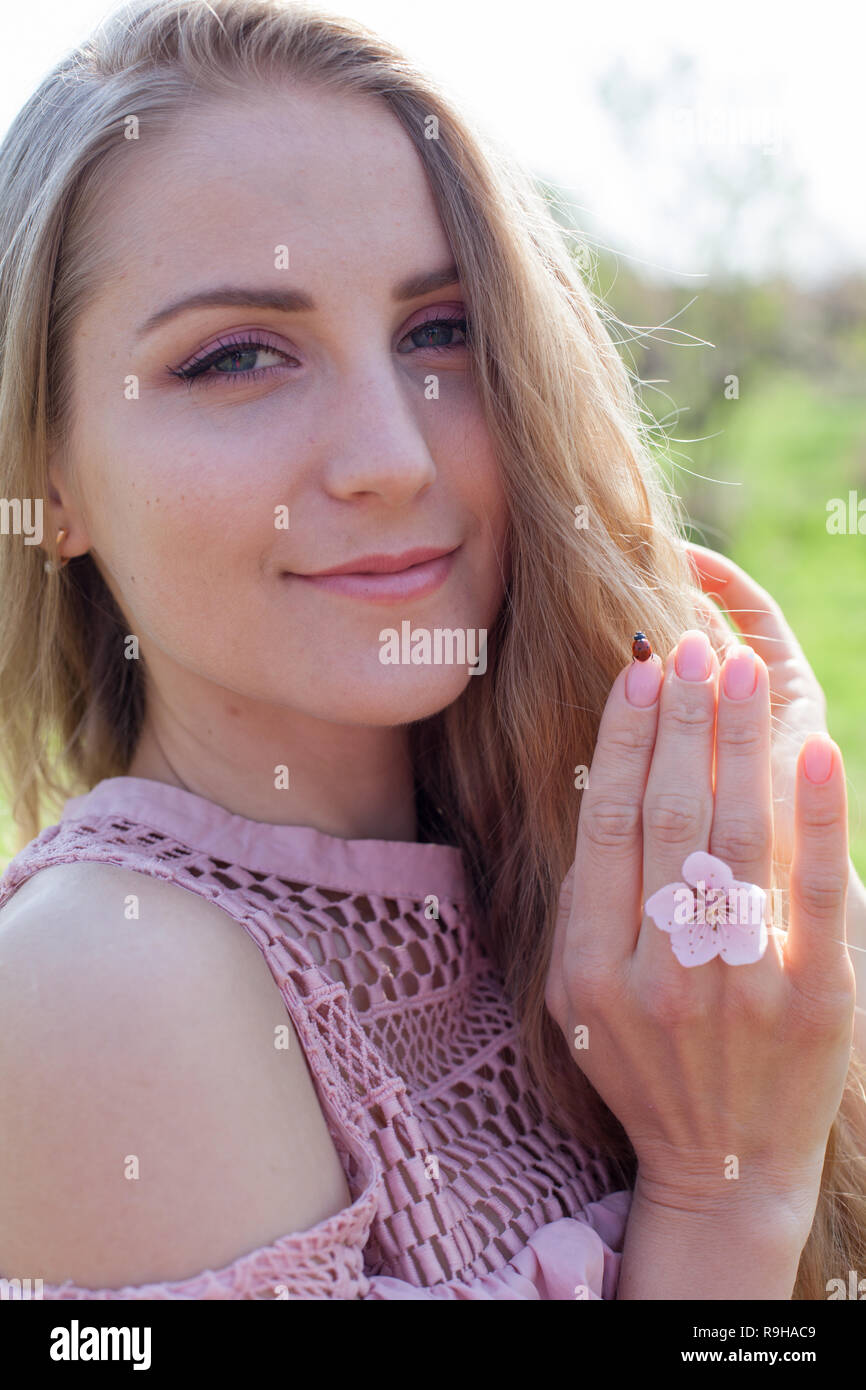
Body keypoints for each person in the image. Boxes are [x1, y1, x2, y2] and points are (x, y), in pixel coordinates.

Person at [0, 0, 864, 1301]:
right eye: (236, 356)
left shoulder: (559, 871)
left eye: (439, 332)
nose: (392, 459)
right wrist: (719, 1192)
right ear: (45, 474)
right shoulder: (110, 983)